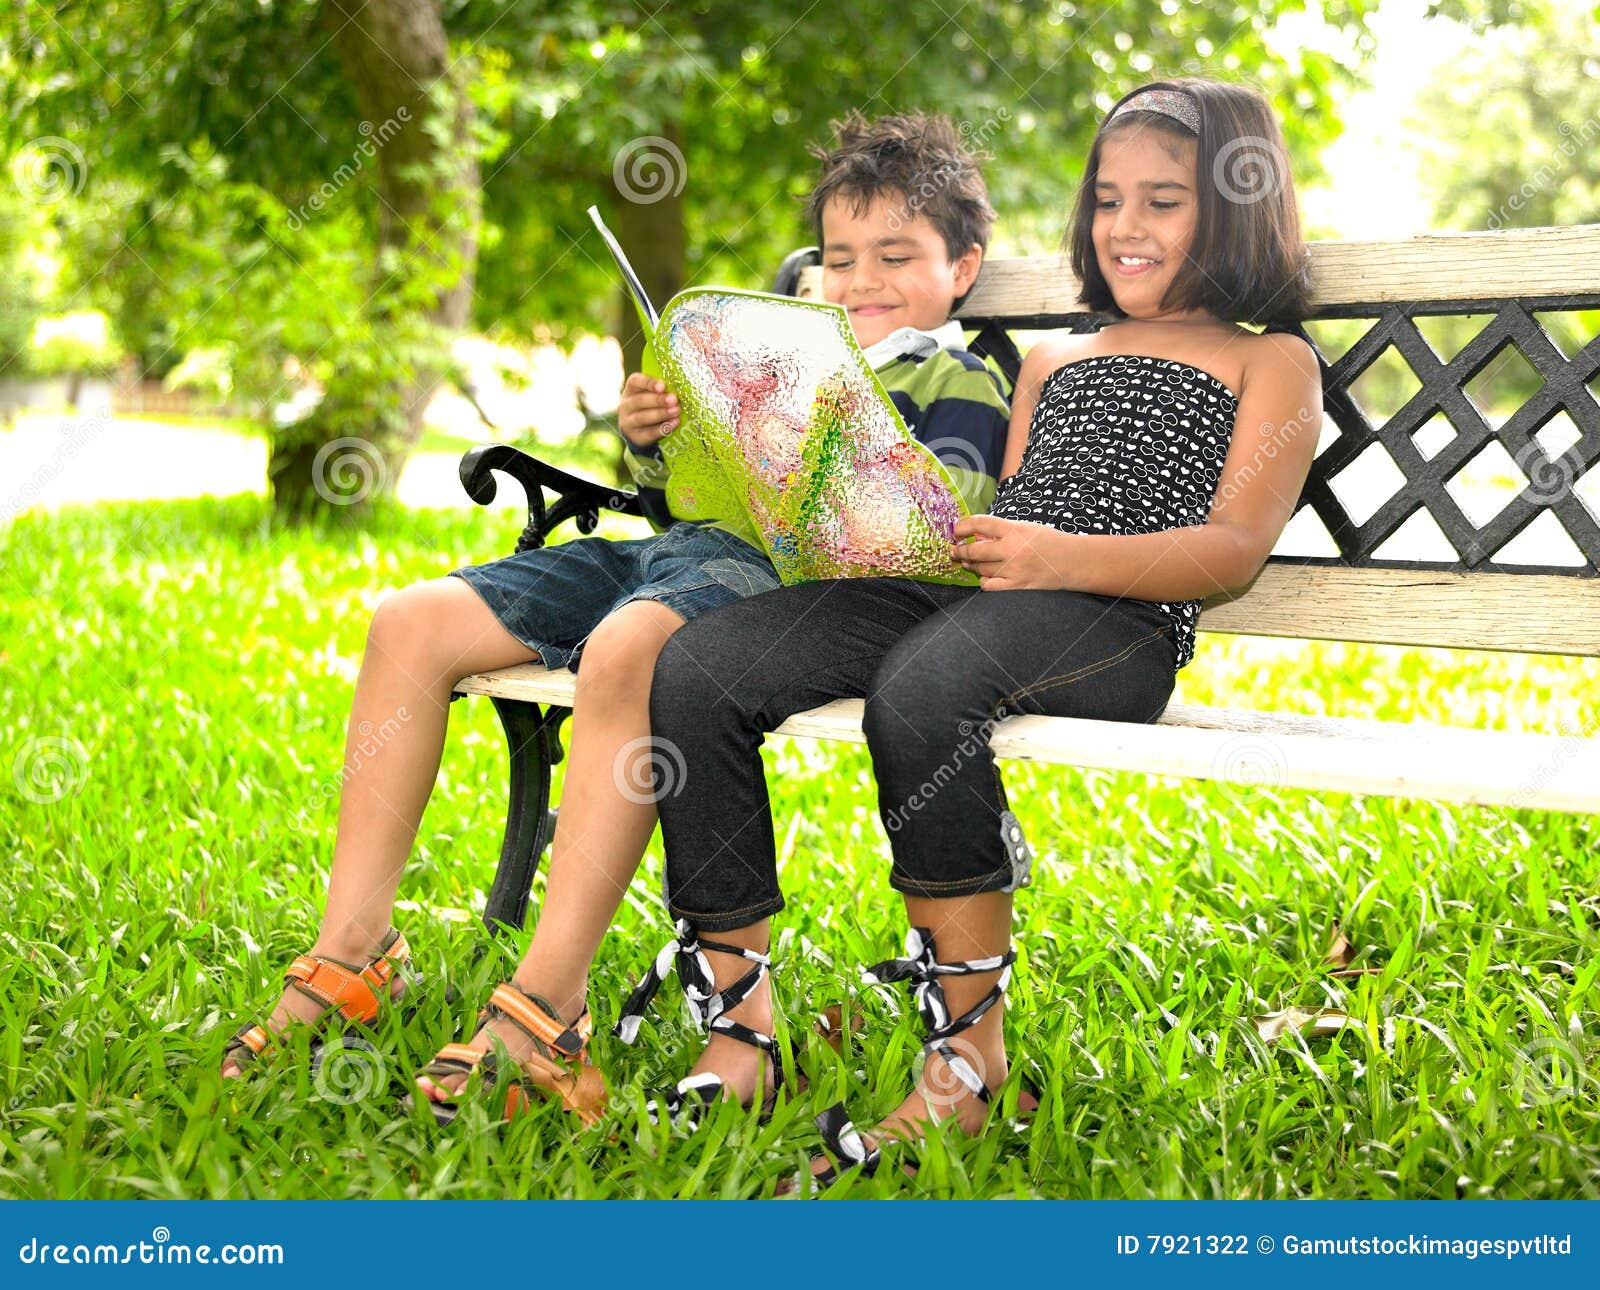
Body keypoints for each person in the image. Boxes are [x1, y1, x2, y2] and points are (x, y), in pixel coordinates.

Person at [219, 111, 1013, 1129]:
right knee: (408, 624)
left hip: (771, 581)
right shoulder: (781, 348)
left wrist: (837, 439)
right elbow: (679, 492)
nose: (860, 280)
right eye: (840, 257)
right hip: (665, 546)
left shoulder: (955, 371)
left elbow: (937, 509)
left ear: (963, 268)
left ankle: (545, 1008)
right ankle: (354, 952)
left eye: (895, 257)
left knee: (626, 650)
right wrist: (662, 432)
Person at [626, 79, 1324, 1179]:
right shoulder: (1051, 361)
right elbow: (989, 522)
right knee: (705, 667)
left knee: (921, 688)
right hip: (987, 598)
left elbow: (1233, 550)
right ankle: (742, 1026)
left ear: (1237, 208)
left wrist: (1058, 560)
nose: (1124, 228)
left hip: (1119, 627)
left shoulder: (1267, 360)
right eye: (1107, 200)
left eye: (1163, 202)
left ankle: (969, 1059)